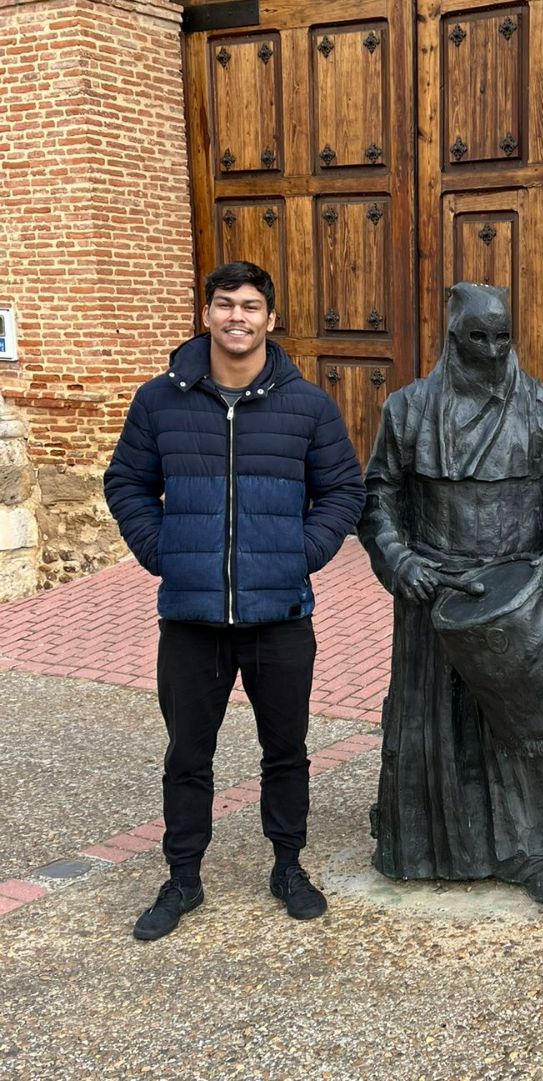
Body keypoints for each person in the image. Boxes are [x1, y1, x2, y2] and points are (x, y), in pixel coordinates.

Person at [104, 262, 365, 940]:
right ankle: (183, 877)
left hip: (279, 615)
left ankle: (288, 865)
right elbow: (126, 481)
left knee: (287, 750)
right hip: (191, 619)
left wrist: (299, 552)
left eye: (251, 306)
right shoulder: (160, 400)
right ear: (207, 313)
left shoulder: (306, 404)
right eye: (225, 305)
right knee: (188, 754)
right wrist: (161, 551)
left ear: (270, 319)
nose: (237, 317)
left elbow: (344, 490)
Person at [358, 282, 543, 905]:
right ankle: (427, 845)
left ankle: (536, 852)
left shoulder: (542, 408)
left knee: (526, 730)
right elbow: (379, 496)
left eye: (504, 338)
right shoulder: (408, 409)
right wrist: (397, 557)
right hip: (437, 592)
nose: (494, 351)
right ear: (453, 337)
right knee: (431, 721)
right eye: (479, 337)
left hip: (515, 593)